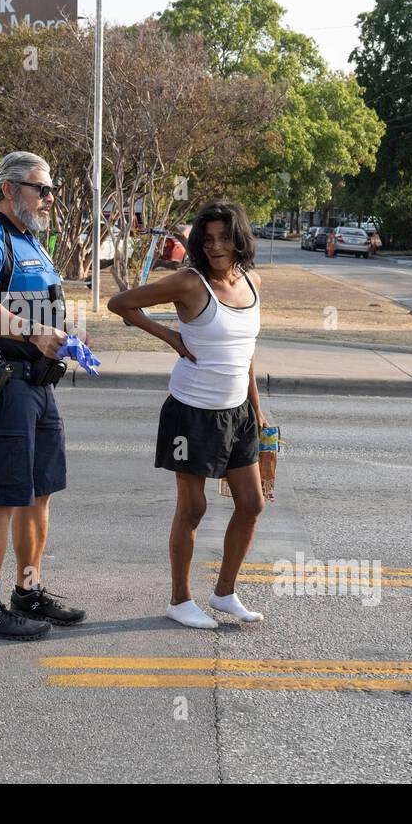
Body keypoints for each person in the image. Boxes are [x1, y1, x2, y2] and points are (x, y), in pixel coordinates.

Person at [107, 201, 268, 629]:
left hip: (238, 413)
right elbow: (119, 303)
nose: (216, 246)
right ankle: (180, 600)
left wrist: (257, 407)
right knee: (193, 509)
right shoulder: (189, 283)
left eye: (224, 238)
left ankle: (225, 593)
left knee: (251, 504)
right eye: (208, 239)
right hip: (192, 413)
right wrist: (171, 338)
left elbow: (247, 351)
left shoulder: (252, 281)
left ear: (239, 240)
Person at [0, 151, 87, 640]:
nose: (50, 198)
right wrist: (34, 334)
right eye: (40, 189)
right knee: (2, 498)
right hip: (2, 383)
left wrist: (65, 338)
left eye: (51, 189)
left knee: (38, 495)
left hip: (39, 384)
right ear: (9, 190)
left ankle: (27, 592)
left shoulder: (30, 239)